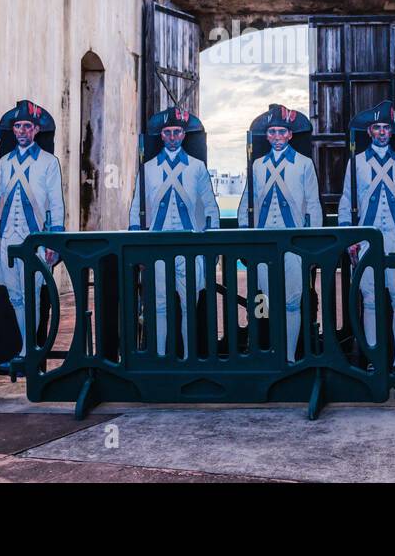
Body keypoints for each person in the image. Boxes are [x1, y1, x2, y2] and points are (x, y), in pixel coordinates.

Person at [337, 100, 395, 386]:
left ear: (392, 131)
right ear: (369, 131)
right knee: (372, 302)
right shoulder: (356, 163)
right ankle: (376, 360)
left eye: (385, 127)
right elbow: (346, 202)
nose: (381, 132)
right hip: (368, 241)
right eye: (376, 127)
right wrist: (349, 237)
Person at [0, 100, 64, 374]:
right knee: (16, 297)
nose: (23, 131)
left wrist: (54, 241)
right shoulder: (4, 162)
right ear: (13, 130)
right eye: (18, 126)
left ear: (36, 130)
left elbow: (56, 204)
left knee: (34, 296)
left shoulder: (49, 163)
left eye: (28, 126)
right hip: (8, 239)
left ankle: (31, 352)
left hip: (35, 240)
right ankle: (25, 350)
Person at [128, 107, 219, 358]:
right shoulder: (148, 168)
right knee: (158, 306)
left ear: (183, 134)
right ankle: (160, 357)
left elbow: (209, 206)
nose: (171, 137)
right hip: (156, 245)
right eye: (167, 132)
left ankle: (189, 358)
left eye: (176, 131)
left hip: (189, 245)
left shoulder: (197, 168)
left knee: (190, 305)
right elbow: (137, 207)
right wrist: (137, 244)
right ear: (161, 135)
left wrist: (211, 242)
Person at [240, 104, 323, 362]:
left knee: (292, 300)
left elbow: (313, 204)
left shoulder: (304, 164)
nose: (276, 136)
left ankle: (289, 356)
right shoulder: (257, 166)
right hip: (264, 242)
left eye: (281, 132)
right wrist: (244, 235)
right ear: (267, 136)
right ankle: (272, 352)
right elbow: (247, 201)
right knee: (266, 301)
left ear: (290, 135)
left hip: (295, 242)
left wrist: (314, 242)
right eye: (272, 132)